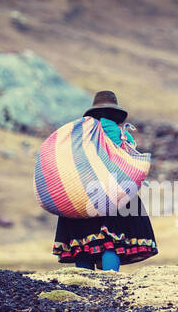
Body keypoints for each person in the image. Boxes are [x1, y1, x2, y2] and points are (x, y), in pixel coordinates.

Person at [52, 91, 159, 271]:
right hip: (115, 191)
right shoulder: (121, 134)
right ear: (115, 114)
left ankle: (84, 284)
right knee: (111, 240)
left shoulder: (79, 133)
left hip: (79, 191)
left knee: (82, 243)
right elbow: (130, 163)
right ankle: (109, 282)